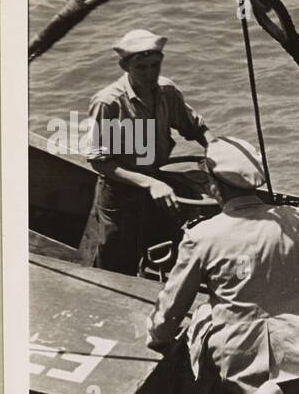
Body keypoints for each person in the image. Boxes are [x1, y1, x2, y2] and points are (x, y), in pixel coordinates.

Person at [146, 136, 299, 394]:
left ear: (214, 186)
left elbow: (173, 306)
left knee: (202, 314)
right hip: (297, 358)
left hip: (234, 369)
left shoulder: (201, 236)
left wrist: (157, 336)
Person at [78, 28, 210, 274]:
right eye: (142, 68)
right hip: (119, 192)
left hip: (157, 185)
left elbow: (195, 127)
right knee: (115, 266)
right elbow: (99, 161)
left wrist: (217, 151)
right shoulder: (109, 102)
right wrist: (150, 183)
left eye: (155, 66)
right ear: (124, 66)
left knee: (168, 250)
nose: (150, 74)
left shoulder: (167, 91)